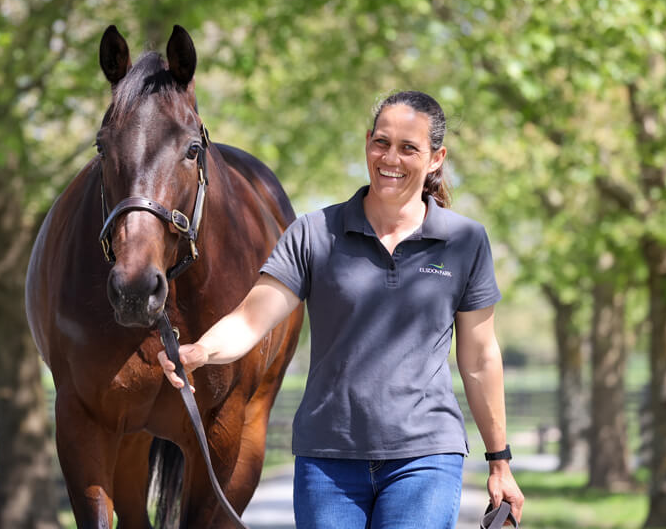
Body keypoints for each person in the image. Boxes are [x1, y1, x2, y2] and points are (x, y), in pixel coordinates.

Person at [158, 90, 524, 528]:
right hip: (327, 460)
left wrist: (499, 462)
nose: (391, 157)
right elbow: (251, 318)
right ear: (367, 141)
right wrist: (200, 351)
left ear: (435, 158)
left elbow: (481, 358)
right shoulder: (315, 233)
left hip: (425, 456)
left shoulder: (465, 241)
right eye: (382, 142)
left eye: (409, 148)